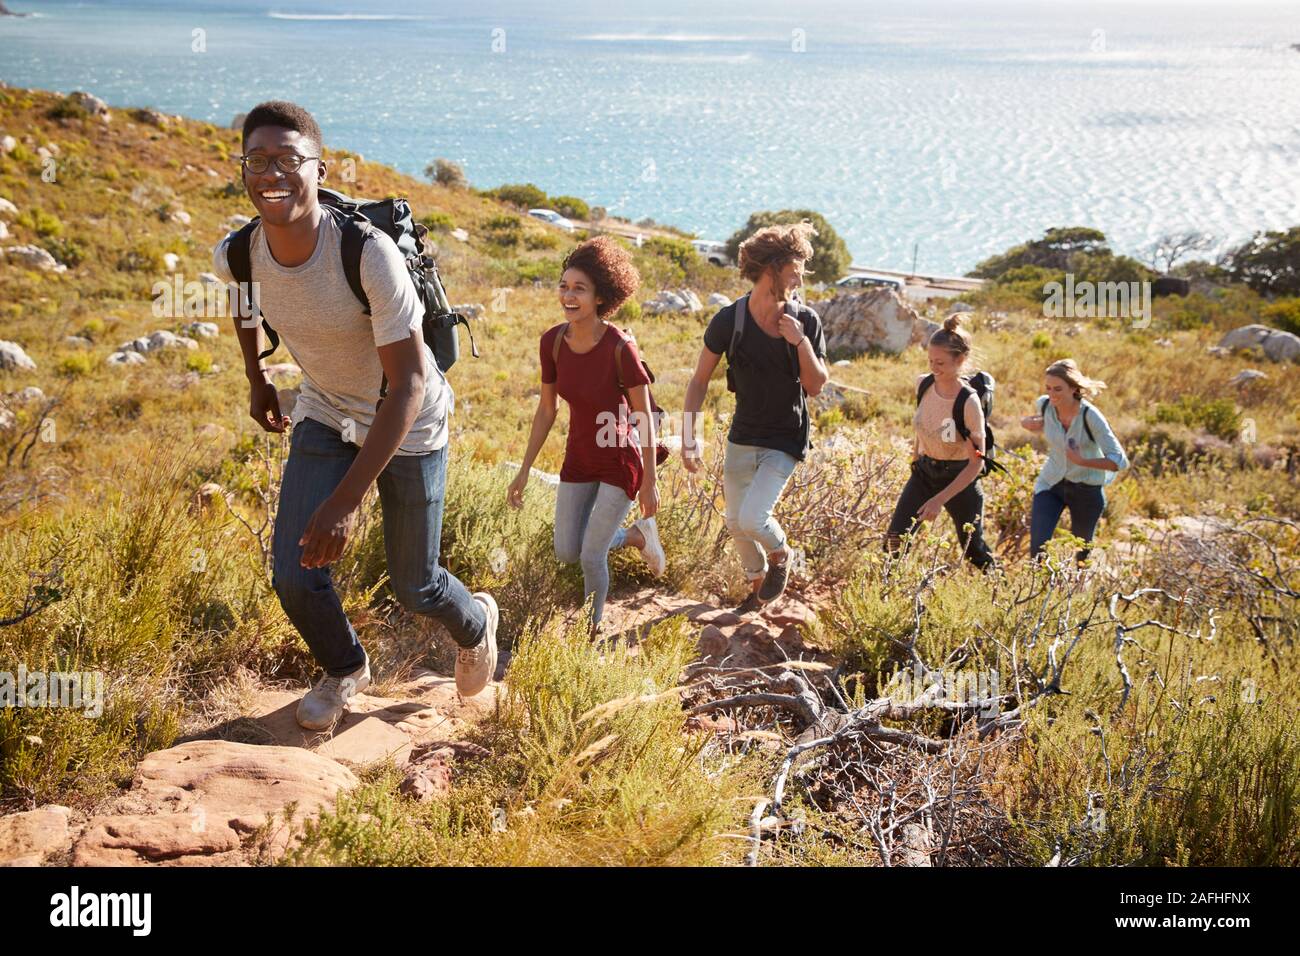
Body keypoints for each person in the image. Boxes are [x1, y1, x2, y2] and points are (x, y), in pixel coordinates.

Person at [212, 101, 498, 731]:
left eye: (289, 160)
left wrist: (345, 502)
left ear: (320, 168)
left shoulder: (367, 255)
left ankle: (477, 623)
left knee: (414, 585)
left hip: (410, 420)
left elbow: (408, 385)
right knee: (293, 570)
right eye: (256, 160)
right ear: (243, 169)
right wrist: (259, 379)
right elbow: (243, 308)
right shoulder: (237, 254)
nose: (271, 174)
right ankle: (344, 669)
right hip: (326, 406)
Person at [507, 236, 665, 632]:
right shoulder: (553, 343)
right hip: (578, 458)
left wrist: (650, 480)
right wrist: (524, 469)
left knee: (592, 555)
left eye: (580, 288)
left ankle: (590, 631)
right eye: (564, 286)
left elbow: (643, 415)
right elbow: (547, 409)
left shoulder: (619, 347)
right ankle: (635, 538)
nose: (568, 295)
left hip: (619, 457)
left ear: (601, 297)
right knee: (567, 551)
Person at [681, 222, 829, 614]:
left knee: (753, 517)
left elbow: (815, 385)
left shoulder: (806, 321)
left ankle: (781, 554)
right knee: (734, 522)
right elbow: (698, 381)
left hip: (785, 438)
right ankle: (758, 589)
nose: (801, 276)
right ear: (771, 269)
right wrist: (688, 436)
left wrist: (799, 341)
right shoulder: (730, 321)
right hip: (743, 435)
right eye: (795, 267)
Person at [885, 313, 996, 570]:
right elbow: (921, 427)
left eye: (941, 363)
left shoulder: (968, 403)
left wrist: (939, 499)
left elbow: (976, 464)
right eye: (930, 361)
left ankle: (1000, 591)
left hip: (959, 478)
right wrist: (916, 459)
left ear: (961, 360)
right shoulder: (923, 384)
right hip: (924, 472)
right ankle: (885, 594)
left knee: (973, 548)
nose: (934, 368)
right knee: (895, 540)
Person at [1021, 359, 1129, 563]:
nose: (1052, 394)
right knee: (1038, 549)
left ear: (1074, 388)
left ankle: (1077, 590)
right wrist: (1027, 423)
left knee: (1082, 553)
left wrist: (1082, 461)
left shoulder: (1091, 416)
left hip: (1086, 490)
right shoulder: (1044, 405)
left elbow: (1119, 460)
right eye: (1048, 388)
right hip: (1051, 483)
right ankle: (1041, 591)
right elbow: (1038, 421)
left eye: (1058, 389)